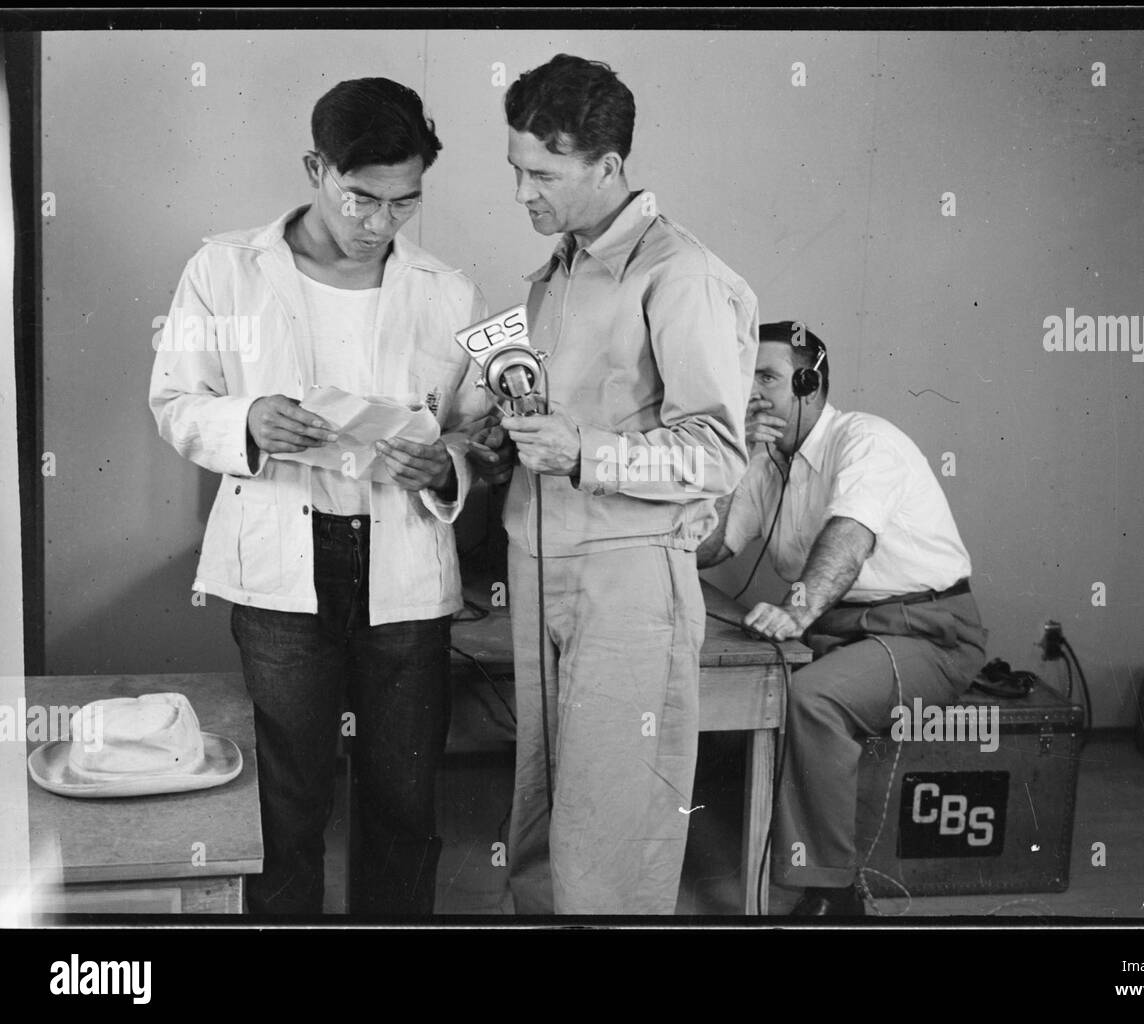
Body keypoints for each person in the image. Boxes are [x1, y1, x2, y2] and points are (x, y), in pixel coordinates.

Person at [149, 77, 505, 916]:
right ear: (315, 168)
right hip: (281, 562)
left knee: (404, 802)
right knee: (286, 802)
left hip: (404, 566)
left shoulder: (446, 291)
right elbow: (174, 401)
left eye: (403, 204)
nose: (379, 224)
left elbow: (483, 436)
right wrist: (249, 418)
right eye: (360, 198)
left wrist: (447, 464)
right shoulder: (226, 270)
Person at [494, 54, 759, 914]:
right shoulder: (557, 273)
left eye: (543, 174)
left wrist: (585, 452)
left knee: (614, 821)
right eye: (517, 171)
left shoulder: (682, 276)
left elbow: (718, 454)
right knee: (543, 807)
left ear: (607, 167)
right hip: (539, 564)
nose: (523, 193)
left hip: (629, 579)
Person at [696, 321, 988, 916]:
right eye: (745, 376)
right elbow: (710, 547)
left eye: (769, 377)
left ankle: (833, 890)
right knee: (753, 686)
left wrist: (796, 611)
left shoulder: (867, 440)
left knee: (813, 698)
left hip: (928, 630)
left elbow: (849, 537)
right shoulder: (768, 460)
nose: (753, 391)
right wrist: (739, 458)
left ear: (809, 384)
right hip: (844, 627)